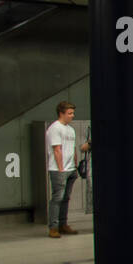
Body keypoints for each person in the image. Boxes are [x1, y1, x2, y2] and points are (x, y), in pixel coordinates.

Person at [46, 101, 90, 238]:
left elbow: (72, 149)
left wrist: (74, 166)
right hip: (59, 169)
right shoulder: (55, 128)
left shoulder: (70, 129)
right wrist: (61, 169)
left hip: (71, 168)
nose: (72, 115)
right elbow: (57, 150)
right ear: (61, 113)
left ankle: (63, 224)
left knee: (66, 198)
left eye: (72, 113)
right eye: (70, 113)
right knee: (57, 198)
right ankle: (53, 227)